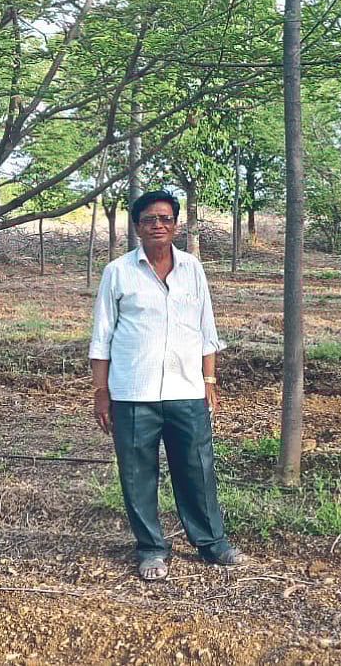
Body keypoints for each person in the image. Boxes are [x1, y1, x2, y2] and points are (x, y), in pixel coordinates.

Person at [88, 189, 250, 581]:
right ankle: (151, 548)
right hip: (132, 393)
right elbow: (102, 336)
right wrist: (101, 392)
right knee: (137, 474)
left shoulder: (192, 269)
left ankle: (212, 544)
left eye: (164, 219)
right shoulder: (118, 272)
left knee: (197, 469)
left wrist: (209, 379)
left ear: (176, 225)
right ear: (137, 227)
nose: (157, 225)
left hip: (186, 389)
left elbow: (206, 329)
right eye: (149, 220)